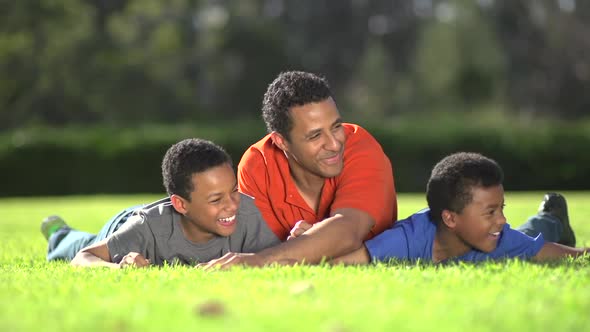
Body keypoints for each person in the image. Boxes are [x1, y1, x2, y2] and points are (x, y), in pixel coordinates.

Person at [197, 71, 397, 269]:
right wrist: (313, 244)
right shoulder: (257, 166)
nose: (335, 144)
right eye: (315, 136)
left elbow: (347, 232)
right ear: (281, 141)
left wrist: (267, 258)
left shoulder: (360, 146)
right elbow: (266, 249)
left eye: (336, 127)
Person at [40, 138, 280, 268]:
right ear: (182, 204)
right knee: (82, 243)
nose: (232, 205)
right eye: (216, 199)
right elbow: (83, 258)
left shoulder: (248, 213)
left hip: (159, 213)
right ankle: (59, 233)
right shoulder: (147, 229)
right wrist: (119, 269)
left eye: (234, 191)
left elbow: (282, 254)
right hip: (127, 221)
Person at [332, 152, 587, 265]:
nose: (502, 220)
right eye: (491, 212)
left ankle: (553, 218)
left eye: (501, 208)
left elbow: (564, 253)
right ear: (450, 219)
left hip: (508, 239)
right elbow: (342, 263)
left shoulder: (501, 238)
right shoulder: (406, 241)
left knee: (529, 234)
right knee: (523, 233)